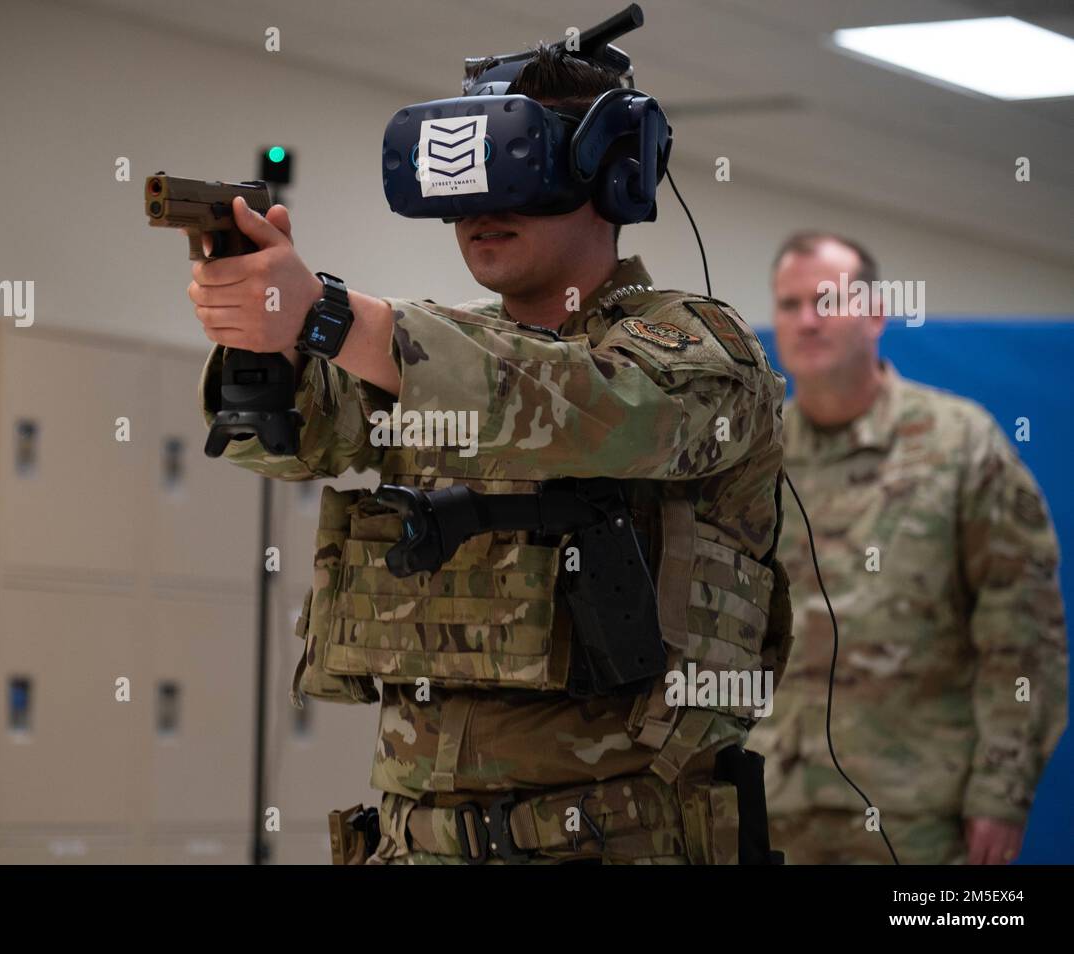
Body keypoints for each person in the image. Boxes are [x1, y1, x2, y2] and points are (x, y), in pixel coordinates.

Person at [190, 45, 791, 864]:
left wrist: (325, 315)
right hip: (414, 844)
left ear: (613, 175)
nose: (483, 211)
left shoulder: (701, 350)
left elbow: (586, 404)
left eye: (521, 175)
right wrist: (267, 347)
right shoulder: (431, 352)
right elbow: (291, 443)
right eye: (464, 184)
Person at [754, 231, 1068, 864]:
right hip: (772, 805)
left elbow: (1023, 634)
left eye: (826, 300)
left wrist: (1002, 793)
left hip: (916, 811)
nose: (806, 320)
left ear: (875, 313)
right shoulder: (753, 457)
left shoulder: (961, 444)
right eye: (789, 305)